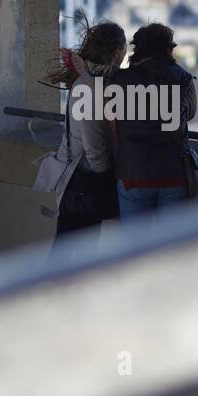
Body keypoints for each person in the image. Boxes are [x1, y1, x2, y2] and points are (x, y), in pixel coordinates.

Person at [34, 18, 127, 244]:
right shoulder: (91, 86)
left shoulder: (87, 81)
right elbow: (94, 144)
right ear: (116, 53)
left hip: (76, 182)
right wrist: (105, 173)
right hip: (85, 183)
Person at [109, 23, 198, 219]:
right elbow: (190, 113)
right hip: (173, 172)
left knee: (136, 247)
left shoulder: (120, 79)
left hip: (133, 171)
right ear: (168, 49)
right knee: (172, 246)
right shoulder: (183, 78)